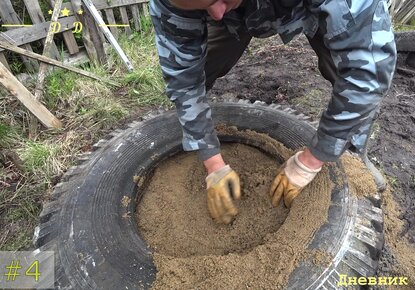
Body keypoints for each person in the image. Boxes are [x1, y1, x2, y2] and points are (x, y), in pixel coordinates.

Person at [149, 0, 396, 224]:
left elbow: (369, 74)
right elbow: (183, 80)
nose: (216, 12)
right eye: (204, 5)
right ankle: (193, 137)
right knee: (200, 69)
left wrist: (310, 162)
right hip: (236, 17)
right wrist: (213, 164)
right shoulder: (180, 4)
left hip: (303, 5)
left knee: (350, 73)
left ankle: (353, 158)